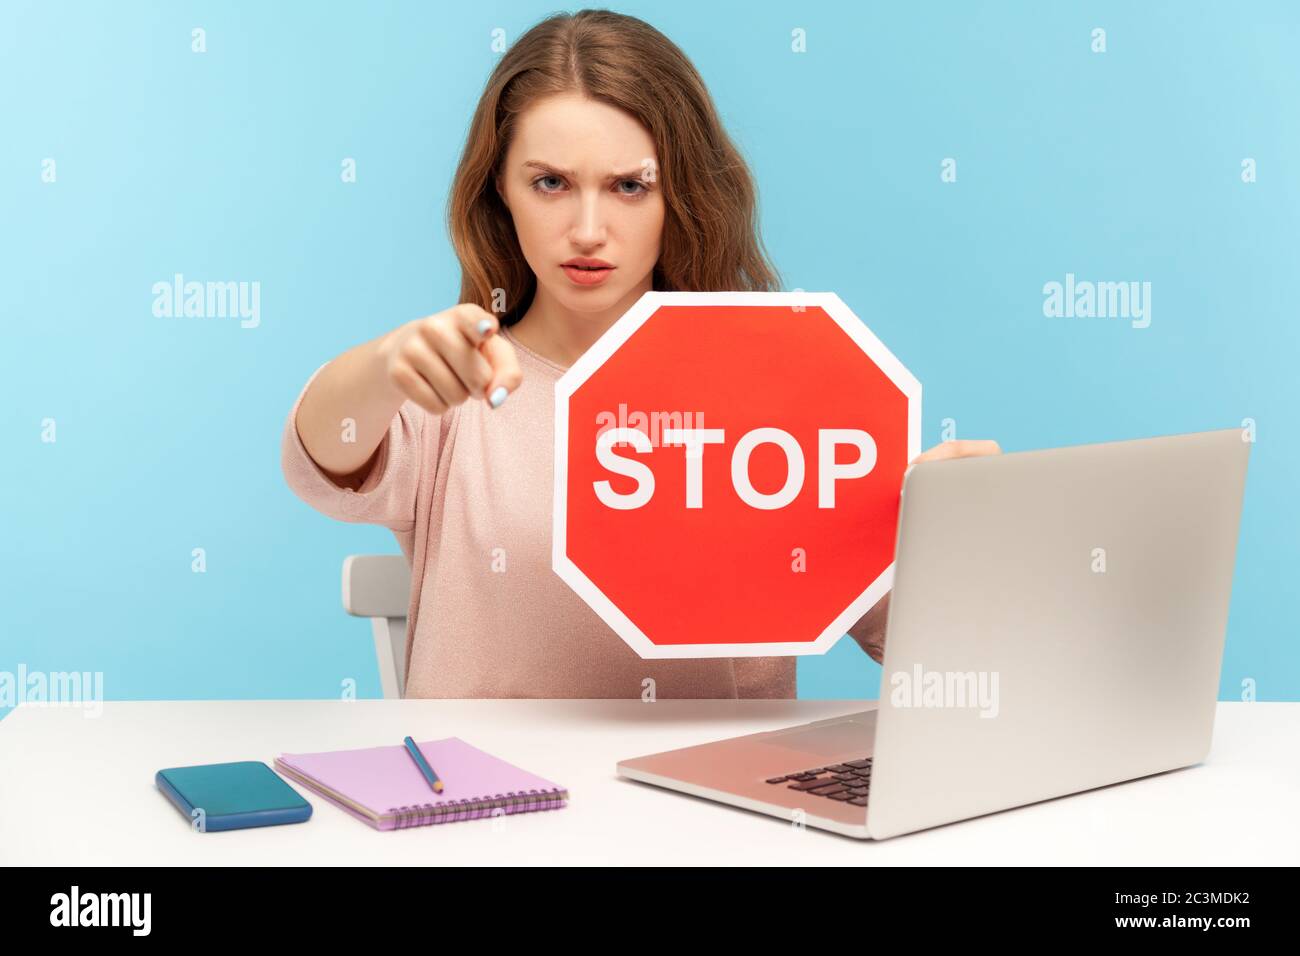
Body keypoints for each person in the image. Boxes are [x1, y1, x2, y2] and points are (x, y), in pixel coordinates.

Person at [281, 9, 999, 698]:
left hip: (720, 808)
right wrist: (384, 366)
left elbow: (925, 638)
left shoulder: (779, 404)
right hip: (490, 806)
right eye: (550, 183)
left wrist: (942, 539)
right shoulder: (456, 389)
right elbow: (320, 460)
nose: (588, 230)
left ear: (679, 195)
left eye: (629, 186)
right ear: (501, 189)